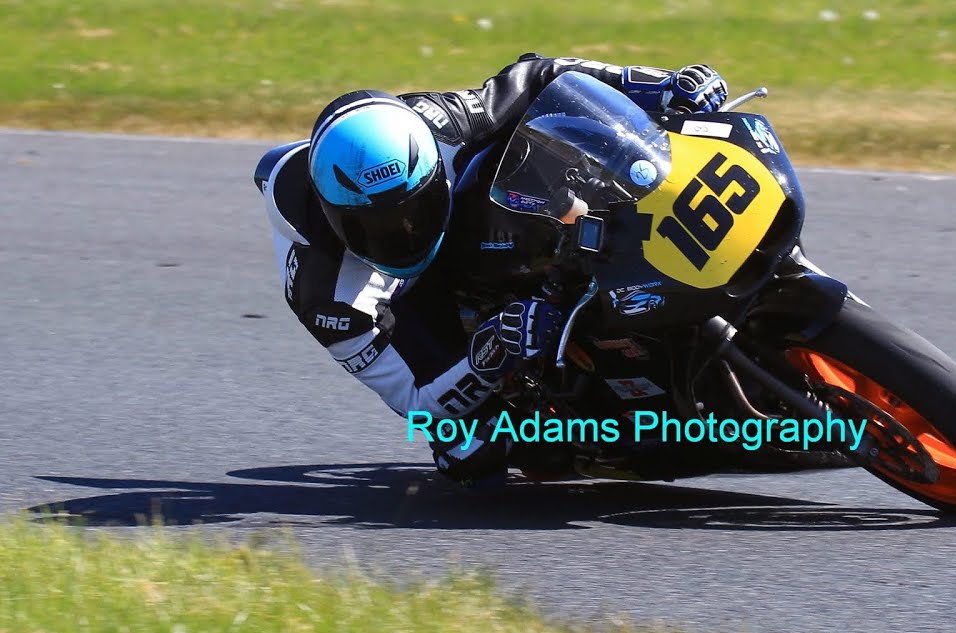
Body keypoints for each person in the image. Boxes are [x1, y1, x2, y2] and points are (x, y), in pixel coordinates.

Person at [254, 53, 729, 486]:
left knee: (558, 160)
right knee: (471, 454)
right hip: (405, 297)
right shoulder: (329, 297)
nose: (404, 231)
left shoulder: (436, 123)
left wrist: (657, 85)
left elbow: (540, 75)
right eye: (377, 227)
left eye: (411, 212)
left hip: (464, 209)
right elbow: (416, 403)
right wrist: (491, 350)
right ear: (335, 214)